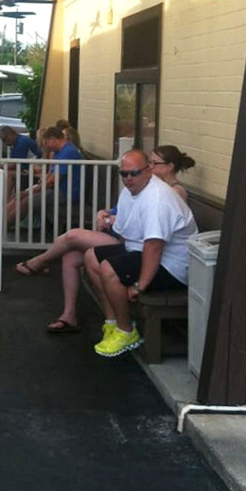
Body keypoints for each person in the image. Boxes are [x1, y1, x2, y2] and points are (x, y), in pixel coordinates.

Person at [84, 149, 197, 357]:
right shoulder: (130, 191)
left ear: (149, 171)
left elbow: (154, 246)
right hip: (144, 251)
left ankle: (127, 332)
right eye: (123, 174)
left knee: (109, 269)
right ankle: (113, 322)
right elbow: (124, 233)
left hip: (174, 267)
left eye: (134, 173)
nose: (128, 179)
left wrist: (139, 285)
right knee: (92, 256)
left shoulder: (158, 199)